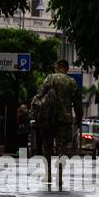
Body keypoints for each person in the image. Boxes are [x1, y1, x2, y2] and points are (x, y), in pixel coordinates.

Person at [30, 59, 84, 188]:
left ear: (58, 67)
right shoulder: (71, 82)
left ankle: (48, 173)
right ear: (66, 68)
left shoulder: (50, 78)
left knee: (47, 146)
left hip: (48, 118)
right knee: (62, 149)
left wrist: (34, 115)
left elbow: (39, 96)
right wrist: (78, 119)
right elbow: (77, 103)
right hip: (64, 120)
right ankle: (59, 175)